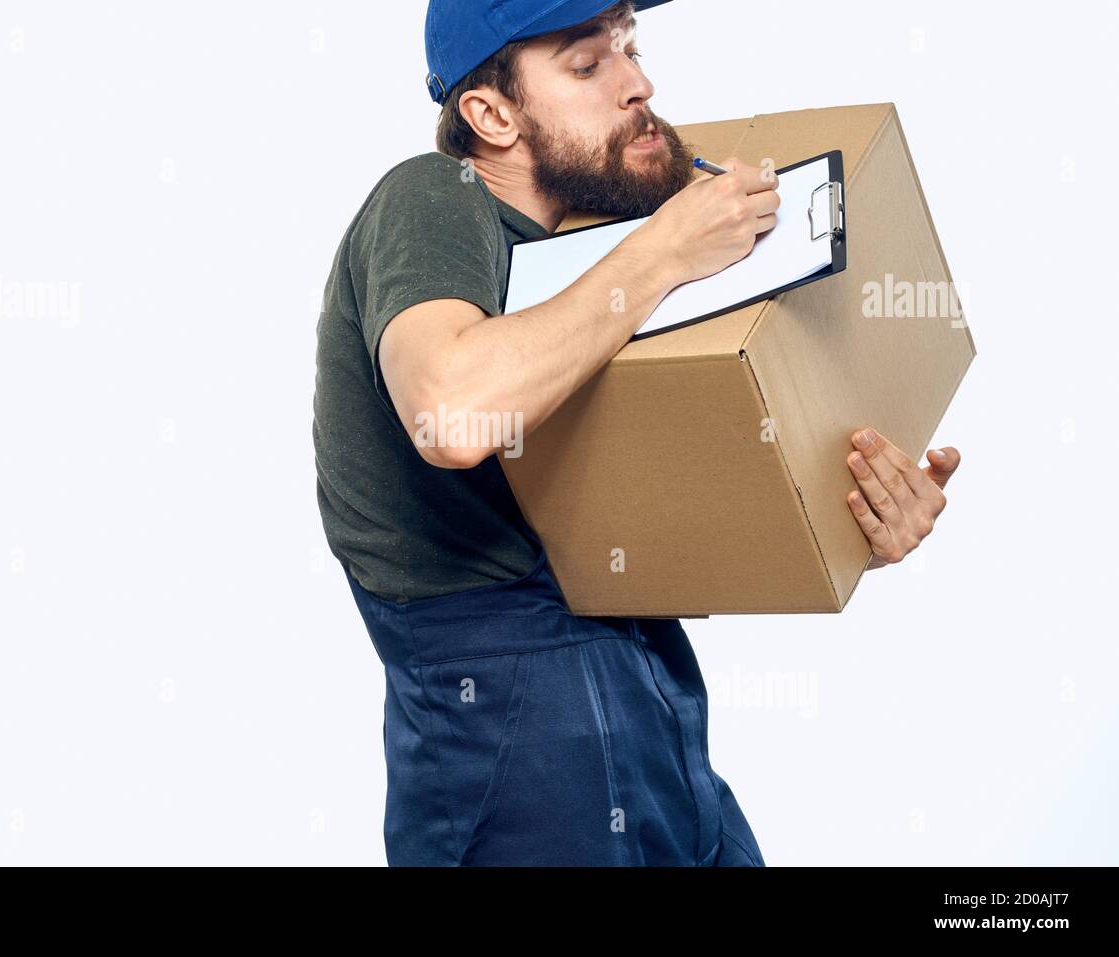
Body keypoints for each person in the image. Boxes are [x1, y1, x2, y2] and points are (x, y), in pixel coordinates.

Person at [312, 0, 961, 866]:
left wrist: (851, 521)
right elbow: (450, 411)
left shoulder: (587, 253)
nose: (640, 86)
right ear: (491, 115)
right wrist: (665, 251)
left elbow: (647, 520)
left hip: (657, 720)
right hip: (511, 756)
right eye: (587, 67)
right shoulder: (434, 198)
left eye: (631, 50)